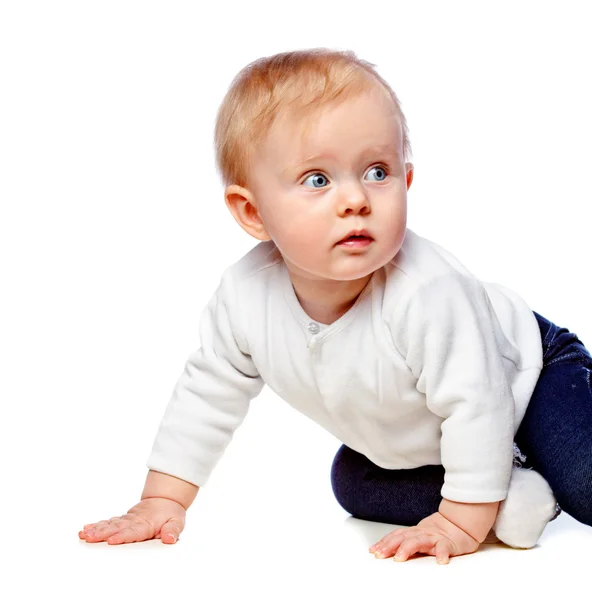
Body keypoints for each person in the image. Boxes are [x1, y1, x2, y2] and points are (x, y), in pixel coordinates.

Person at [78, 48, 592, 564]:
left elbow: (476, 400)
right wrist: (163, 499)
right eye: (317, 180)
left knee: (586, 480)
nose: (355, 200)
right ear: (252, 212)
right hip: (430, 431)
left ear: (405, 181)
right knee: (353, 482)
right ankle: (505, 496)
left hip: (528, 373)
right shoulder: (245, 298)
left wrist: (458, 526)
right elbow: (206, 395)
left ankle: (480, 495)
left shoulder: (427, 292)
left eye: (376, 171)